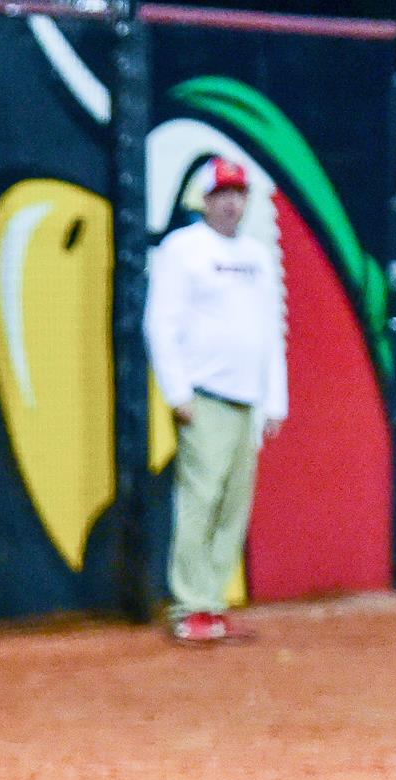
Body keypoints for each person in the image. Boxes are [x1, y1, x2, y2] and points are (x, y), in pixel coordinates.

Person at [145, 157, 287, 645]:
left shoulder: (258, 256)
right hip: (204, 397)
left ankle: (213, 602)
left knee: (232, 506)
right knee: (200, 501)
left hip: (247, 400)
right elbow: (160, 323)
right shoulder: (182, 250)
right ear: (204, 200)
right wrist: (177, 390)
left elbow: (271, 330)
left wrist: (275, 399)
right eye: (222, 194)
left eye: (238, 194)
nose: (231, 203)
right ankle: (190, 607)